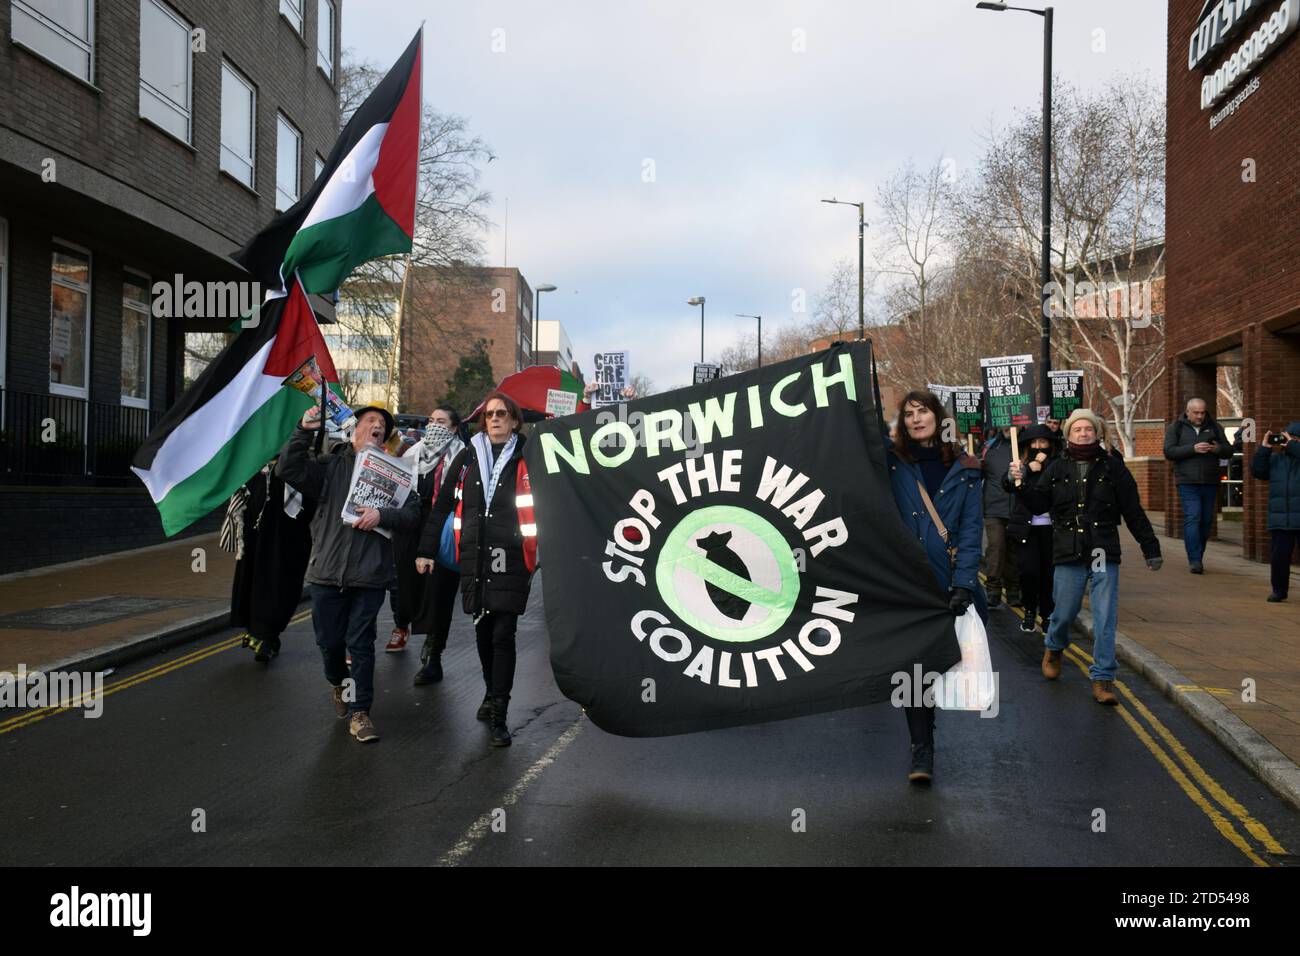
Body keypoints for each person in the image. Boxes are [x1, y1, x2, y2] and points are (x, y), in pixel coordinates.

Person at [277, 403, 421, 743]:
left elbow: (413, 513)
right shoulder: (330, 466)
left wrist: (383, 516)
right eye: (370, 421)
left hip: (369, 575)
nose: (377, 427)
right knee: (329, 643)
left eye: (383, 425)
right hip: (326, 572)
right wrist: (303, 428)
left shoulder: (395, 472)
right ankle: (338, 684)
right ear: (355, 430)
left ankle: (361, 713)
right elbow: (288, 469)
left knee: (361, 644)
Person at [1011, 408, 1163, 705]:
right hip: (1068, 550)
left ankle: (1103, 678)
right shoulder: (1056, 468)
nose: (1083, 433)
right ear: (1068, 435)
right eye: (1077, 429)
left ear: (1096, 433)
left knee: (1105, 616)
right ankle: (1054, 647)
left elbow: (1132, 509)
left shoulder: (1113, 467)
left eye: (1088, 429)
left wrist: (1150, 547)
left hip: (1102, 549)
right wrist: (1020, 483)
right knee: (1064, 614)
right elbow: (1038, 504)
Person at [418, 391, 538, 748]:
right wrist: (426, 549)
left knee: (504, 633)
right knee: (484, 631)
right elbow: (441, 506)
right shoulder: (468, 457)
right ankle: (490, 692)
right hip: (474, 556)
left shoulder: (529, 456)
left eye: (503, 414)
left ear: (515, 420)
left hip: (513, 556)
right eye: (489, 415)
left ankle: (500, 711)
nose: (495, 419)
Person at [886, 390, 987, 785]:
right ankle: (921, 749)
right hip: (906, 583)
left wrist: (964, 583)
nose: (915, 419)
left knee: (941, 664)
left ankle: (926, 735)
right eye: (908, 414)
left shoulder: (966, 467)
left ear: (938, 417)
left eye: (922, 411)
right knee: (913, 668)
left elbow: (971, 528)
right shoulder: (891, 463)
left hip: (947, 580)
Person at [224, 458, 315, 663]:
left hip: (285, 541)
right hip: (255, 537)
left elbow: (308, 504)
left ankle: (267, 636)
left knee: (278, 585)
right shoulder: (254, 466)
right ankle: (257, 632)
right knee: (252, 581)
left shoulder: (297, 467)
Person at [407, 406, 468, 682]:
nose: (433, 425)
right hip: (411, 532)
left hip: (444, 536)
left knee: (439, 597)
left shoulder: (464, 457)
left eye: (441, 422)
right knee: (412, 593)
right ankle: (405, 628)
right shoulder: (413, 453)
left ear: (454, 428)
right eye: (430, 420)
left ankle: (433, 656)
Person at [1002, 424, 1059, 634]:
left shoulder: (1058, 464)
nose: (1038, 446)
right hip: (1027, 529)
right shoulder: (1021, 463)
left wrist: (1044, 467)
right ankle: (1029, 610)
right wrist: (1025, 469)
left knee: (1048, 575)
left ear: (1050, 444)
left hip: (1051, 529)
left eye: (1042, 442)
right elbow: (1007, 484)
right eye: (1034, 442)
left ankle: (1047, 615)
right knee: (1028, 572)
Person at [1164, 398, 1230, 574]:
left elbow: (1228, 450)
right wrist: (1193, 449)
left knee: (1207, 520)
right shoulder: (1176, 428)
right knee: (1193, 517)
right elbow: (1169, 451)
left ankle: (1198, 555)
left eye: (1202, 412)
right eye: (1196, 413)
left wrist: (1216, 449)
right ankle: (1194, 560)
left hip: (1210, 480)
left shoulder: (1215, 427)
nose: (1200, 416)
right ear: (1188, 411)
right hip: (1187, 481)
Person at [1251, 424, 1300, 603]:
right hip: (1280, 517)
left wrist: (1293, 446)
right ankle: (1279, 590)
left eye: (1293, 439)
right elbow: (1258, 471)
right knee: (1279, 558)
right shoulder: (1276, 459)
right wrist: (1264, 449)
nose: (1287, 442)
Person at [980, 427, 1021, 609]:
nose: (1008, 426)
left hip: (1019, 509)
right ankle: (993, 592)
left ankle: (1013, 592)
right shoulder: (990, 447)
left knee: (1014, 551)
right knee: (996, 549)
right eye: (1004, 422)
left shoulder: (1026, 445)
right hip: (994, 509)